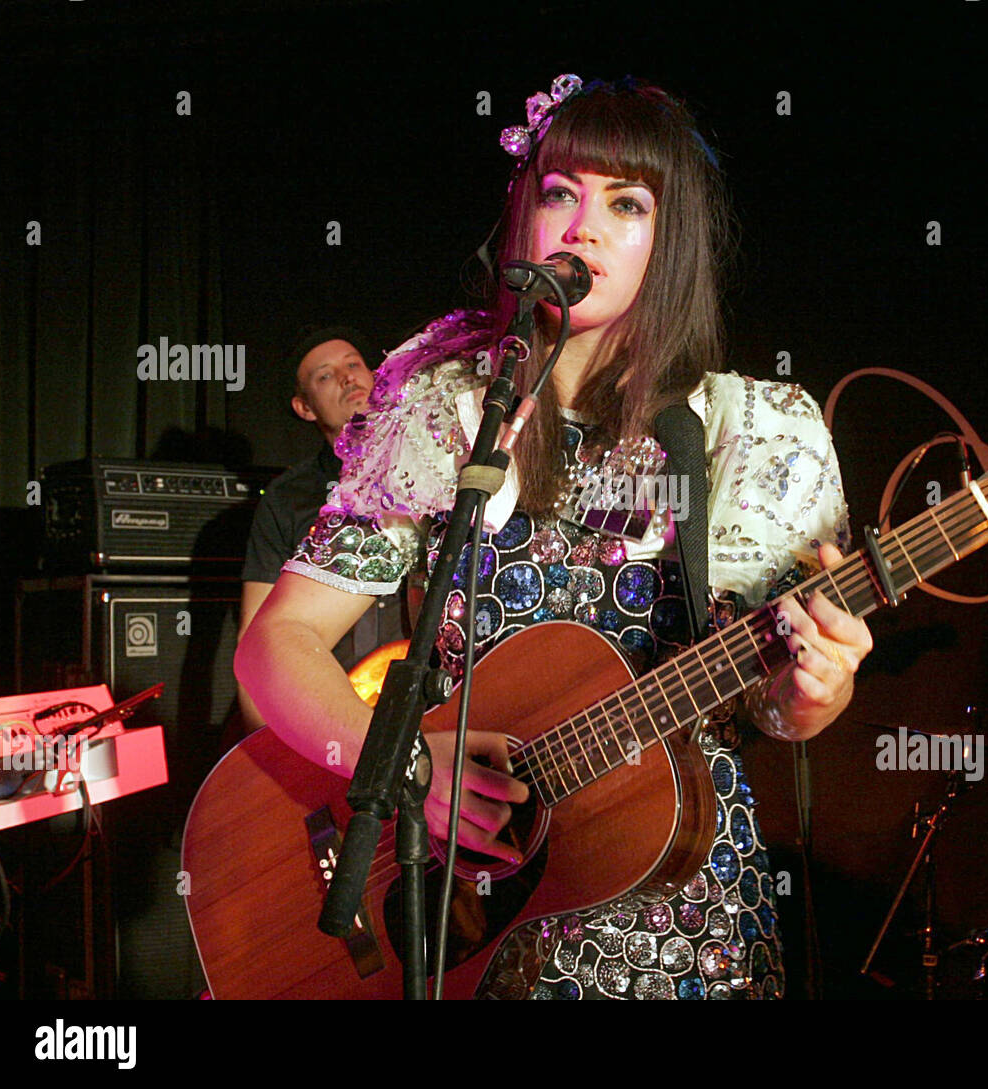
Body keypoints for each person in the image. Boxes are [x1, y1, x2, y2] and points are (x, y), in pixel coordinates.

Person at [235, 74, 873, 999]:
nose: (583, 227)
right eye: (561, 193)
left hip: (685, 922)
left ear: (671, 237)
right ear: (524, 216)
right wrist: (408, 764)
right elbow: (275, 646)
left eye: (627, 203)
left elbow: (779, 707)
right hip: (469, 918)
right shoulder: (448, 409)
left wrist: (818, 688)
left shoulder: (752, 433)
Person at [237, 327, 405, 733]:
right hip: (332, 717)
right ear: (305, 407)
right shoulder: (285, 500)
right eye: (326, 376)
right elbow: (256, 647)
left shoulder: (429, 468)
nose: (349, 378)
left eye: (354, 365)